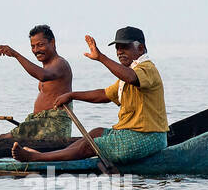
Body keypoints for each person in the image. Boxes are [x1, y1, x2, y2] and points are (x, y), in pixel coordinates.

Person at [11, 26, 167, 164]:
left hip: (147, 137)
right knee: (96, 133)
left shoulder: (146, 69)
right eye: (118, 48)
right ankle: (53, 155)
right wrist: (72, 95)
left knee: (89, 146)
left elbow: (132, 77)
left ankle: (36, 158)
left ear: (140, 49)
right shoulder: (128, 73)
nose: (119, 52)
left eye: (125, 47)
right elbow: (104, 95)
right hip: (130, 132)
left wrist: (101, 58)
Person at [0, 25, 73, 146]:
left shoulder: (60, 64)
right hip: (39, 123)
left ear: (52, 42)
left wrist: (16, 55)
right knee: (3, 139)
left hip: (53, 125)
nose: (36, 50)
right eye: (33, 46)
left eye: (40, 45)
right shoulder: (48, 66)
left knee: (4, 140)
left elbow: (43, 76)